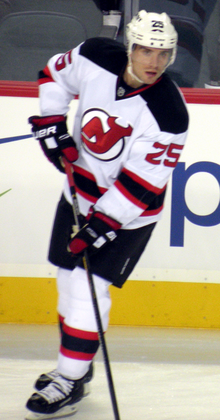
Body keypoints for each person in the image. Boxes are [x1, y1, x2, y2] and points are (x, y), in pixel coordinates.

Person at [25, 10, 189, 419]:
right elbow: (54, 75)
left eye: (164, 53)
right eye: (146, 50)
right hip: (77, 194)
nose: (154, 62)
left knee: (86, 293)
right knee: (68, 285)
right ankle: (77, 371)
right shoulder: (96, 55)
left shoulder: (168, 111)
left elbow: (141, 184)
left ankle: (68, 379)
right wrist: (50, 121)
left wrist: (101, 225)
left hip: (127, 217)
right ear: (129, 47)